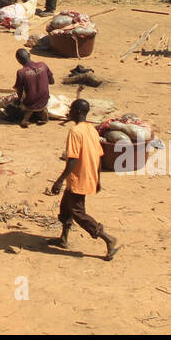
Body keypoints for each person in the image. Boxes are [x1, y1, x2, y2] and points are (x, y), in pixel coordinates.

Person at [48, 98, 121, 260]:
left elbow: (73, 159)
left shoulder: (75, 132)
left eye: (72, 109)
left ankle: (108, 239)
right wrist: (97, 179)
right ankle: (64, 239)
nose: (69, 112)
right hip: (89, 176)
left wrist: (60, 180)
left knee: (78, 213)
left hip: (78, 178)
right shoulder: (92, 130)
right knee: (66, 208)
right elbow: (99, 157)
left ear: (78, 112)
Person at [13, 48, 54, 127]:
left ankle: (25, 120)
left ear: (18, 60)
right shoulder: (43, 65)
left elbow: (19, 90)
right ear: (29, 55)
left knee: (26, 104)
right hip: (44, 100)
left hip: (30, 104)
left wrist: (18, 100)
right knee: (40, 101)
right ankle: (44, 117)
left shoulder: (21, 72)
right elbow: (52, 81)